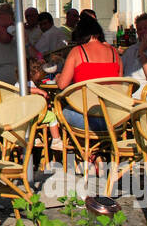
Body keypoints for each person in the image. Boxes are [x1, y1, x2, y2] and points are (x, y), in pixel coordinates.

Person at [53, 16, 123, 147]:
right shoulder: (114, 52)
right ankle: (98, 151)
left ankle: (87, 152)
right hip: (114, 118)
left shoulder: (77, 51)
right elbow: (119, 83)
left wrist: (58, 77)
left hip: (86, 118)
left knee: (61, 110)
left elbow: (62, 84)